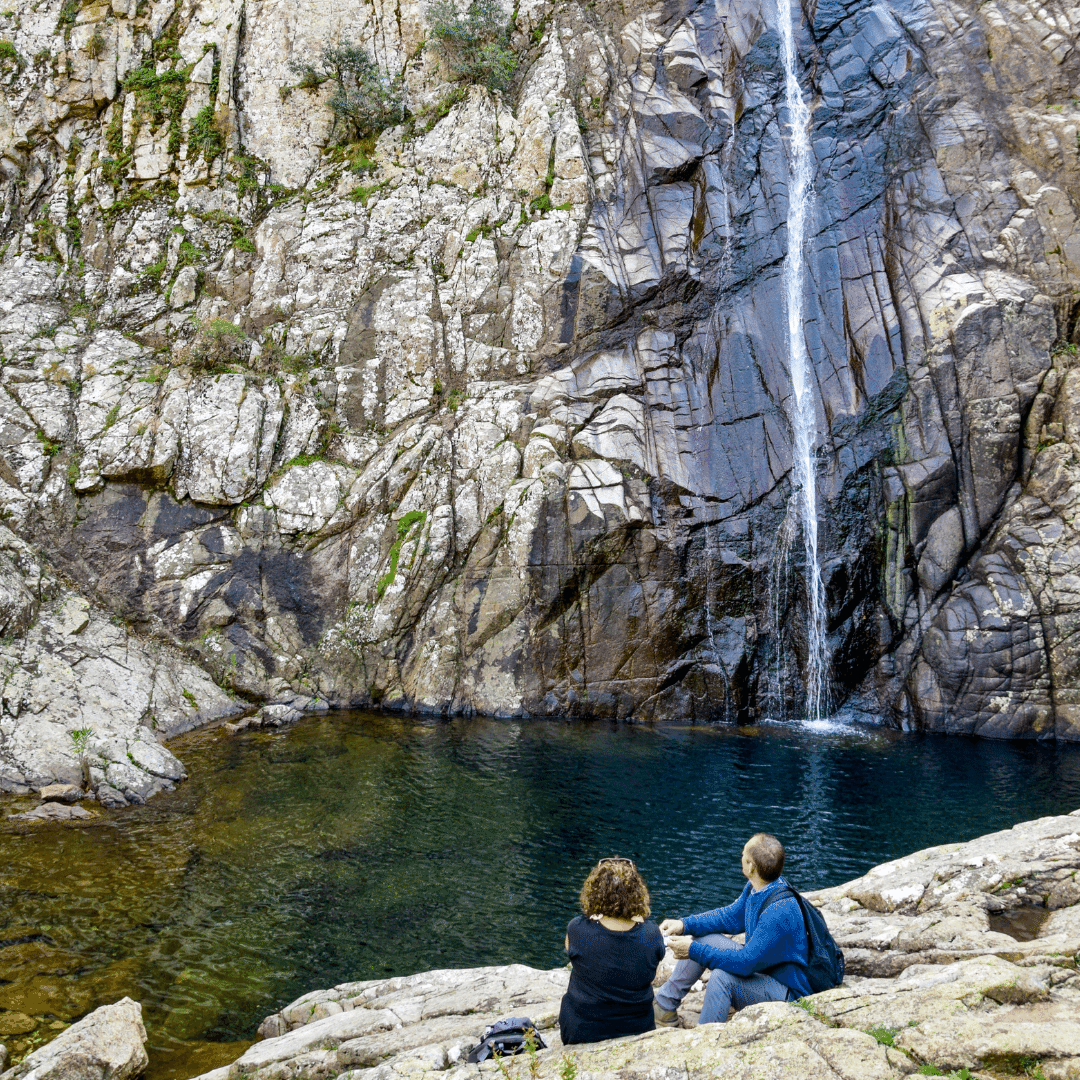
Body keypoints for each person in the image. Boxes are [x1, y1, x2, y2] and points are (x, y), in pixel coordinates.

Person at [654, 833, 810, 1026]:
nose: (741, 856)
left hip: (787, 992)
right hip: (764, 970)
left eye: (743, 854)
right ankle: (663, 1006)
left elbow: (746, 963)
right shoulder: (760, 886)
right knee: (703, 937)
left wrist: (692, 950)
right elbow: (730, 917)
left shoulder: (778, 912)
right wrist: (684, 924)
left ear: (751, 866)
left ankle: (704, 1045)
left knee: (721, 979)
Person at [558, 857, 666, 1044]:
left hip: (582, 1030)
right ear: (638, 893)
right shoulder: (651, 934)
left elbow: (569, 948)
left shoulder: (577, 929)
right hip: (638, 1029)